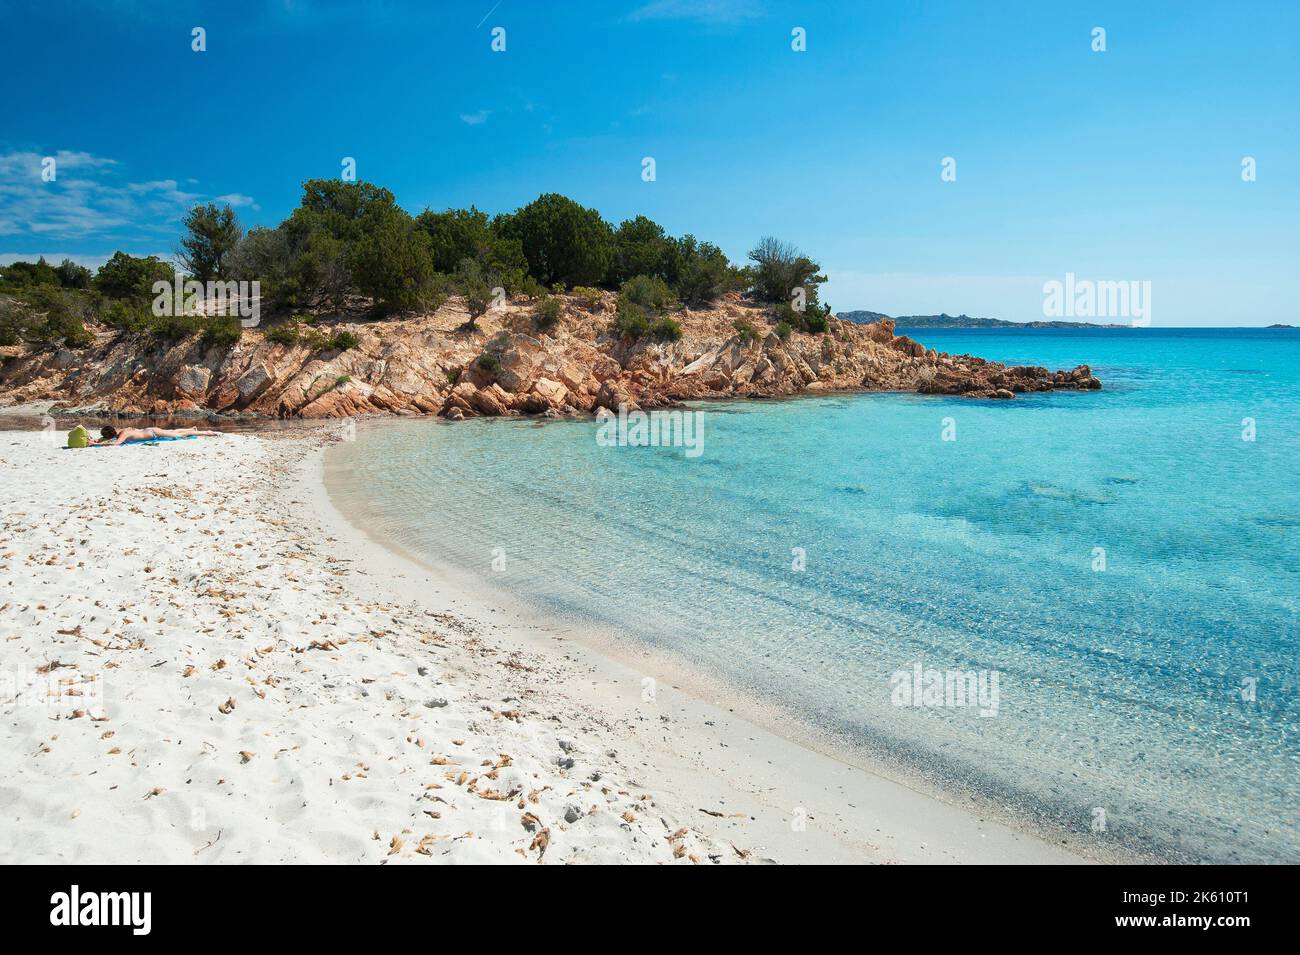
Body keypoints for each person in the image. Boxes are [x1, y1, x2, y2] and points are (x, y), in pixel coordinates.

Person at [97, 425, 223, 446]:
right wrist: (97, 441)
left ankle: (207, 433)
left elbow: (116, 444)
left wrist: (97, 444)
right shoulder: (122, 430)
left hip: (153, 433)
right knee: (174, 431)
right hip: (150, 430)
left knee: (180, 435)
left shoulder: (122, 435)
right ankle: (191, 428)